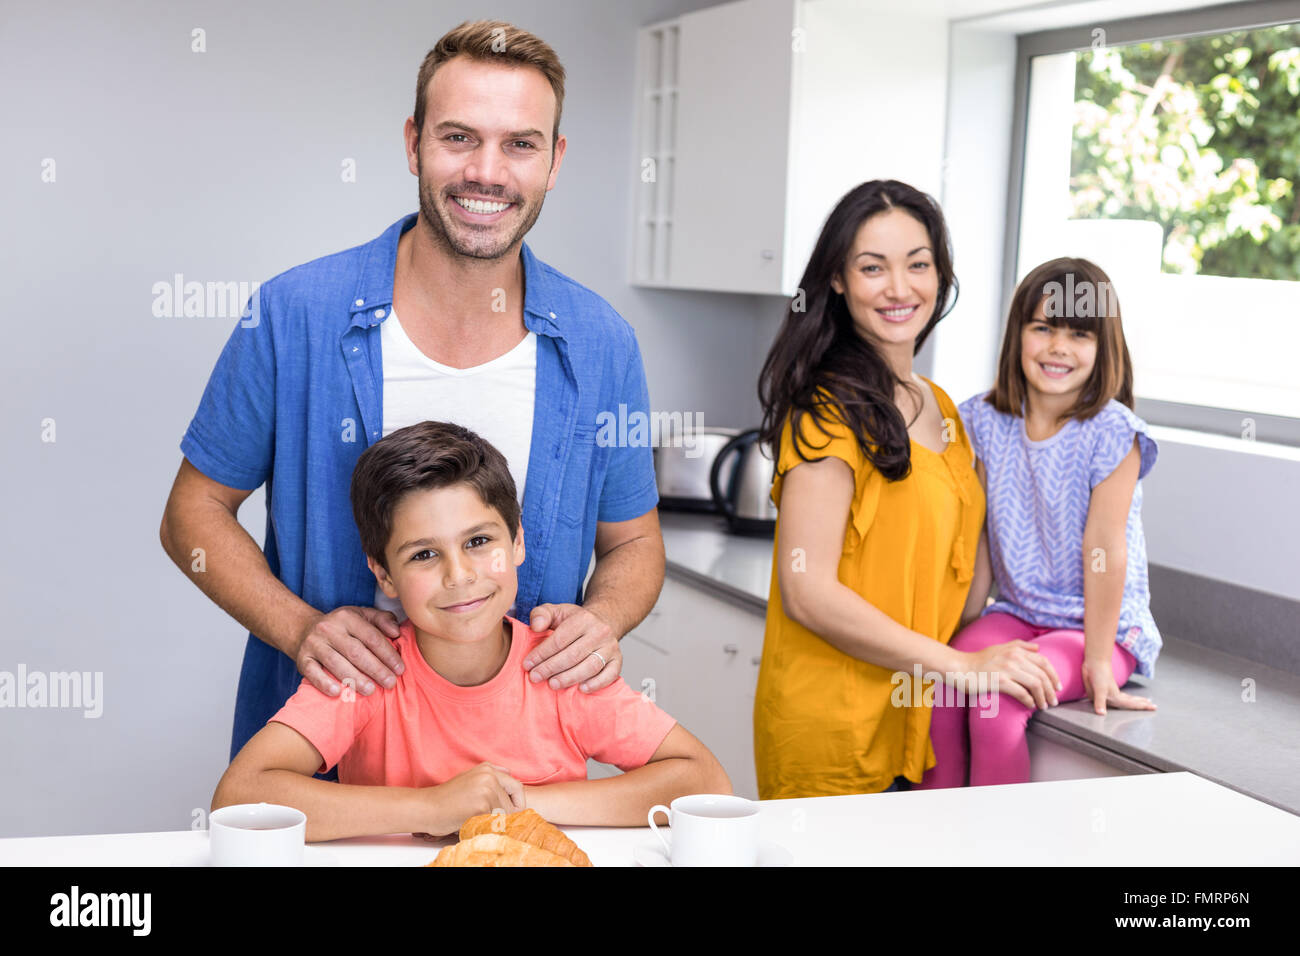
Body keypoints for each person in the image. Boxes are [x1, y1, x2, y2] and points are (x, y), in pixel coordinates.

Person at [160, 20, 665, 766]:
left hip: (524, 781)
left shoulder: (600, 344)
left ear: (554, 161)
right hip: (328, 780)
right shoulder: (296, 314)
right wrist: (301, 629)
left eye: (520, 143)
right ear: (413, 143)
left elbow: (635, 543)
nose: (487, 172)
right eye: (459, 137)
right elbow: (191, 515)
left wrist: (604, 620)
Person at [212, 421, 728, 841]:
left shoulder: (558, 667)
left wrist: (513, 805)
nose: (459, 576)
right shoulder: (368, 672)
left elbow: (705, 781)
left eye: (479, 541)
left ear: (518, 541)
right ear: (383, 574)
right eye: (424, 554)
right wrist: (430, 808)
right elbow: (240, 797)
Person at [753, 180, 1063, 799]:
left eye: (918, 264)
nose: (900, 288)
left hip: (922, 727)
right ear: (838, 280)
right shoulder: (826, 409)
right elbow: (806, 589)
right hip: (835, 733)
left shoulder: (942, 407)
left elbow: (963, 579)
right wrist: (966, 666)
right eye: (873, 268)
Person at [918, 257, 1160, 790]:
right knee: (941, 685)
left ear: (1105, 347)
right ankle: (931, 843)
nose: (1058, 347)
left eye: (1078, 333)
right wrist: (958, 632)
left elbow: (1105, 548)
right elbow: (981, 540)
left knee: (995, 701)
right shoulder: (982, 419)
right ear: (1017, 335)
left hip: (1097, 628)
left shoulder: (1115, 432)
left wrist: (1098, 659)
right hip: (1016, 613)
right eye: (1043, 328)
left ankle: (996, 847)